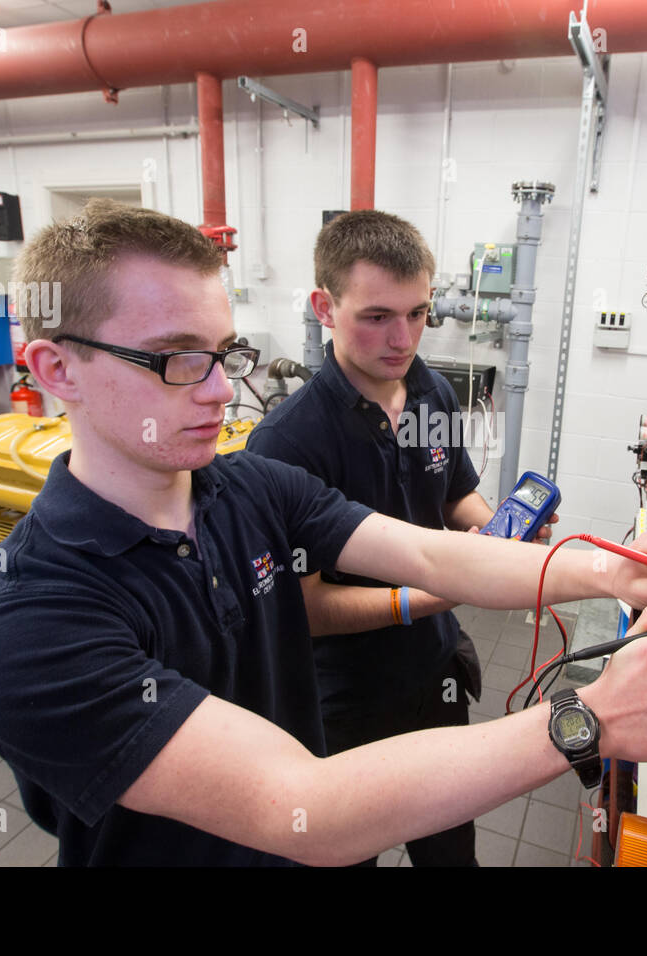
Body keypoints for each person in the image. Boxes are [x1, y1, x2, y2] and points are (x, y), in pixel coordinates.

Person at [0, 199, 647, 866]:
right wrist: (591, 717)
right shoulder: (15, 627)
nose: (222, 391)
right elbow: (303, 803)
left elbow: (432, 549)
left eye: (226, 352)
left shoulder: (247, 487)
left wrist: (615, 568)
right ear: (54, 371)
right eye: (176, 359)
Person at [246, 210, 534, 866]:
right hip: (346, 701)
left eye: (418, 313)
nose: (401, 338)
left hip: (433, 674)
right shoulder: (287, 443)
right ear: (325, 306)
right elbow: (309, 610)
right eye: (376, 316)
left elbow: (453, 492)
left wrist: (494, 532)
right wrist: (428, 593)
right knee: (349, 855)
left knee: (450, 850)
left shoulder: (429, 391)